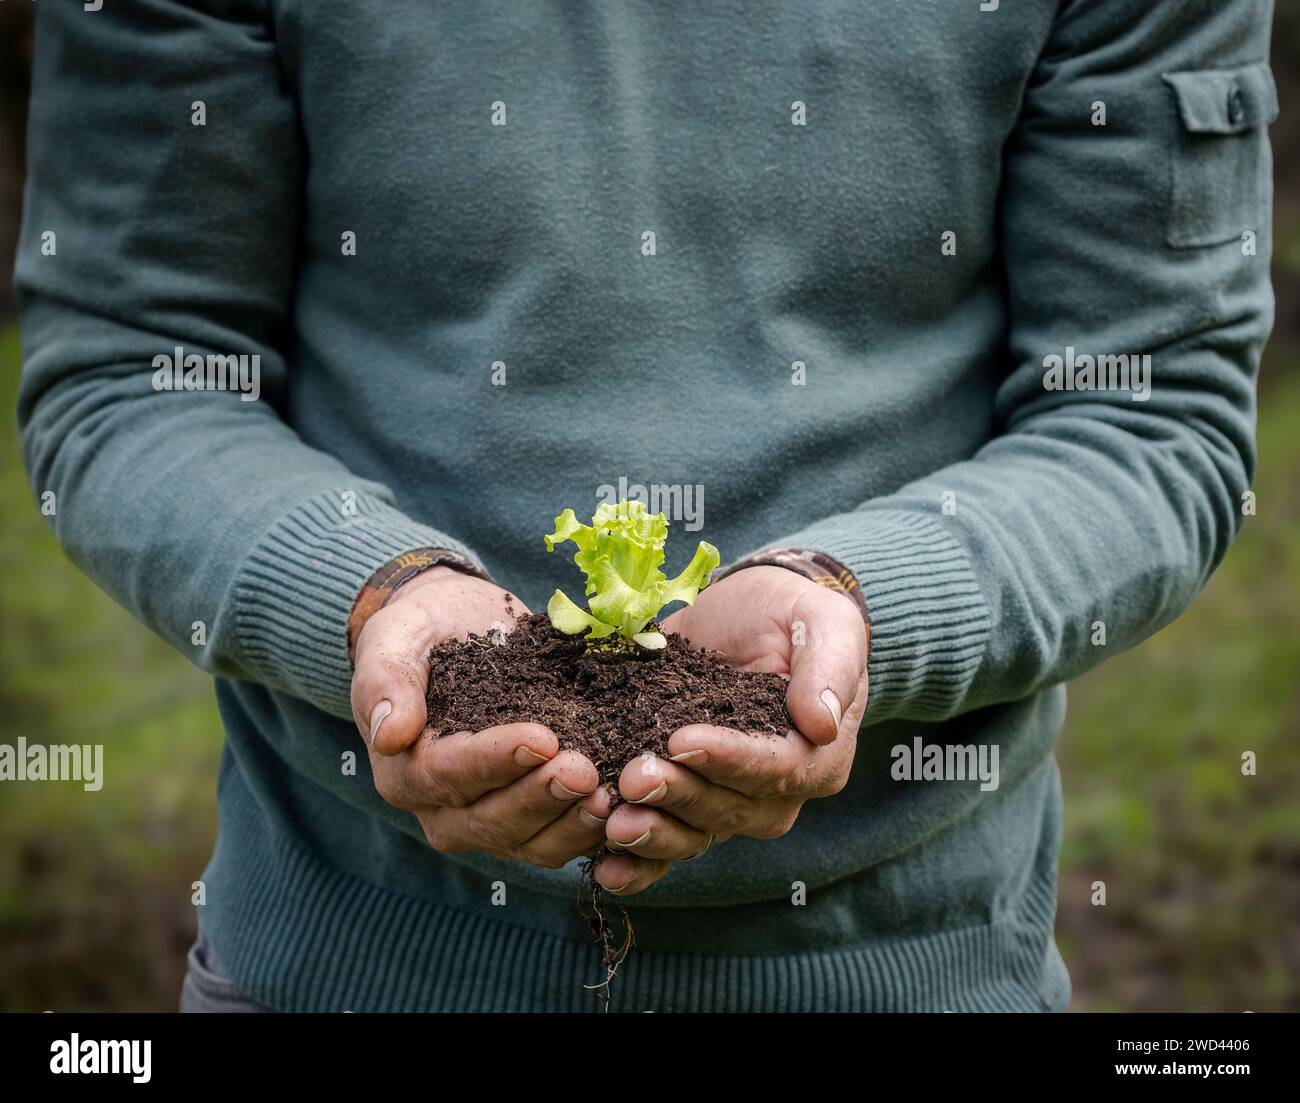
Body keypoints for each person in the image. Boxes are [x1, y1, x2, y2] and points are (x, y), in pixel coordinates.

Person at [16, 0, 1275, 1012]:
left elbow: (1144, 409)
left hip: (913, 966)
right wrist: (373, 594)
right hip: (337, 962)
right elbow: (137, 367)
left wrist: (862, 602)